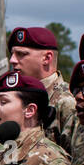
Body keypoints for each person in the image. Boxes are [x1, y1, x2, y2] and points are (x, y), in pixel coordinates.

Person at [7, 26, 78, 157]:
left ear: (46, 58)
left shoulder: (67, 102)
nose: (12, 60)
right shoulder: (13, 99)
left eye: (21, 54)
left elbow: (76, 161)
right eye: (12, 54)